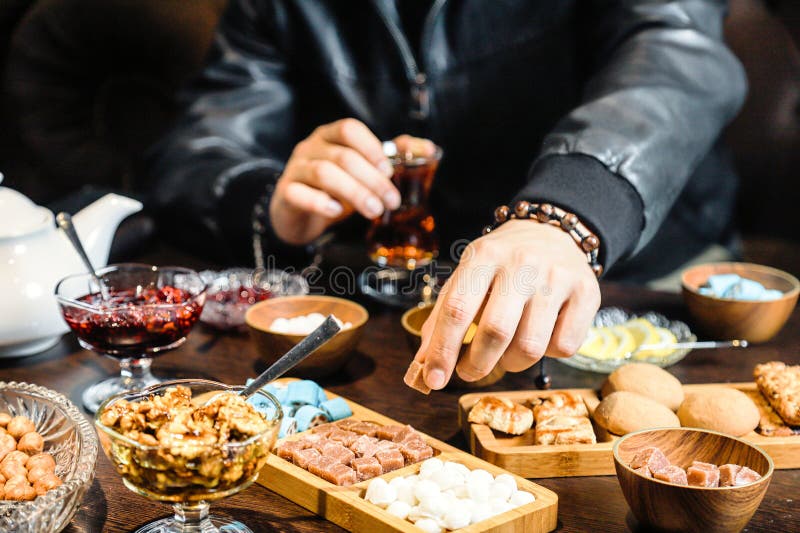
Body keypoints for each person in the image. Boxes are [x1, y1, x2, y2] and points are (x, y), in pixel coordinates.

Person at [147, 0, 747, 391]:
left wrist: (564, 216)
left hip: (646, 272)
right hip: (387, 305)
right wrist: (273, 200)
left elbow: (674, 56)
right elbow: (198, 150)